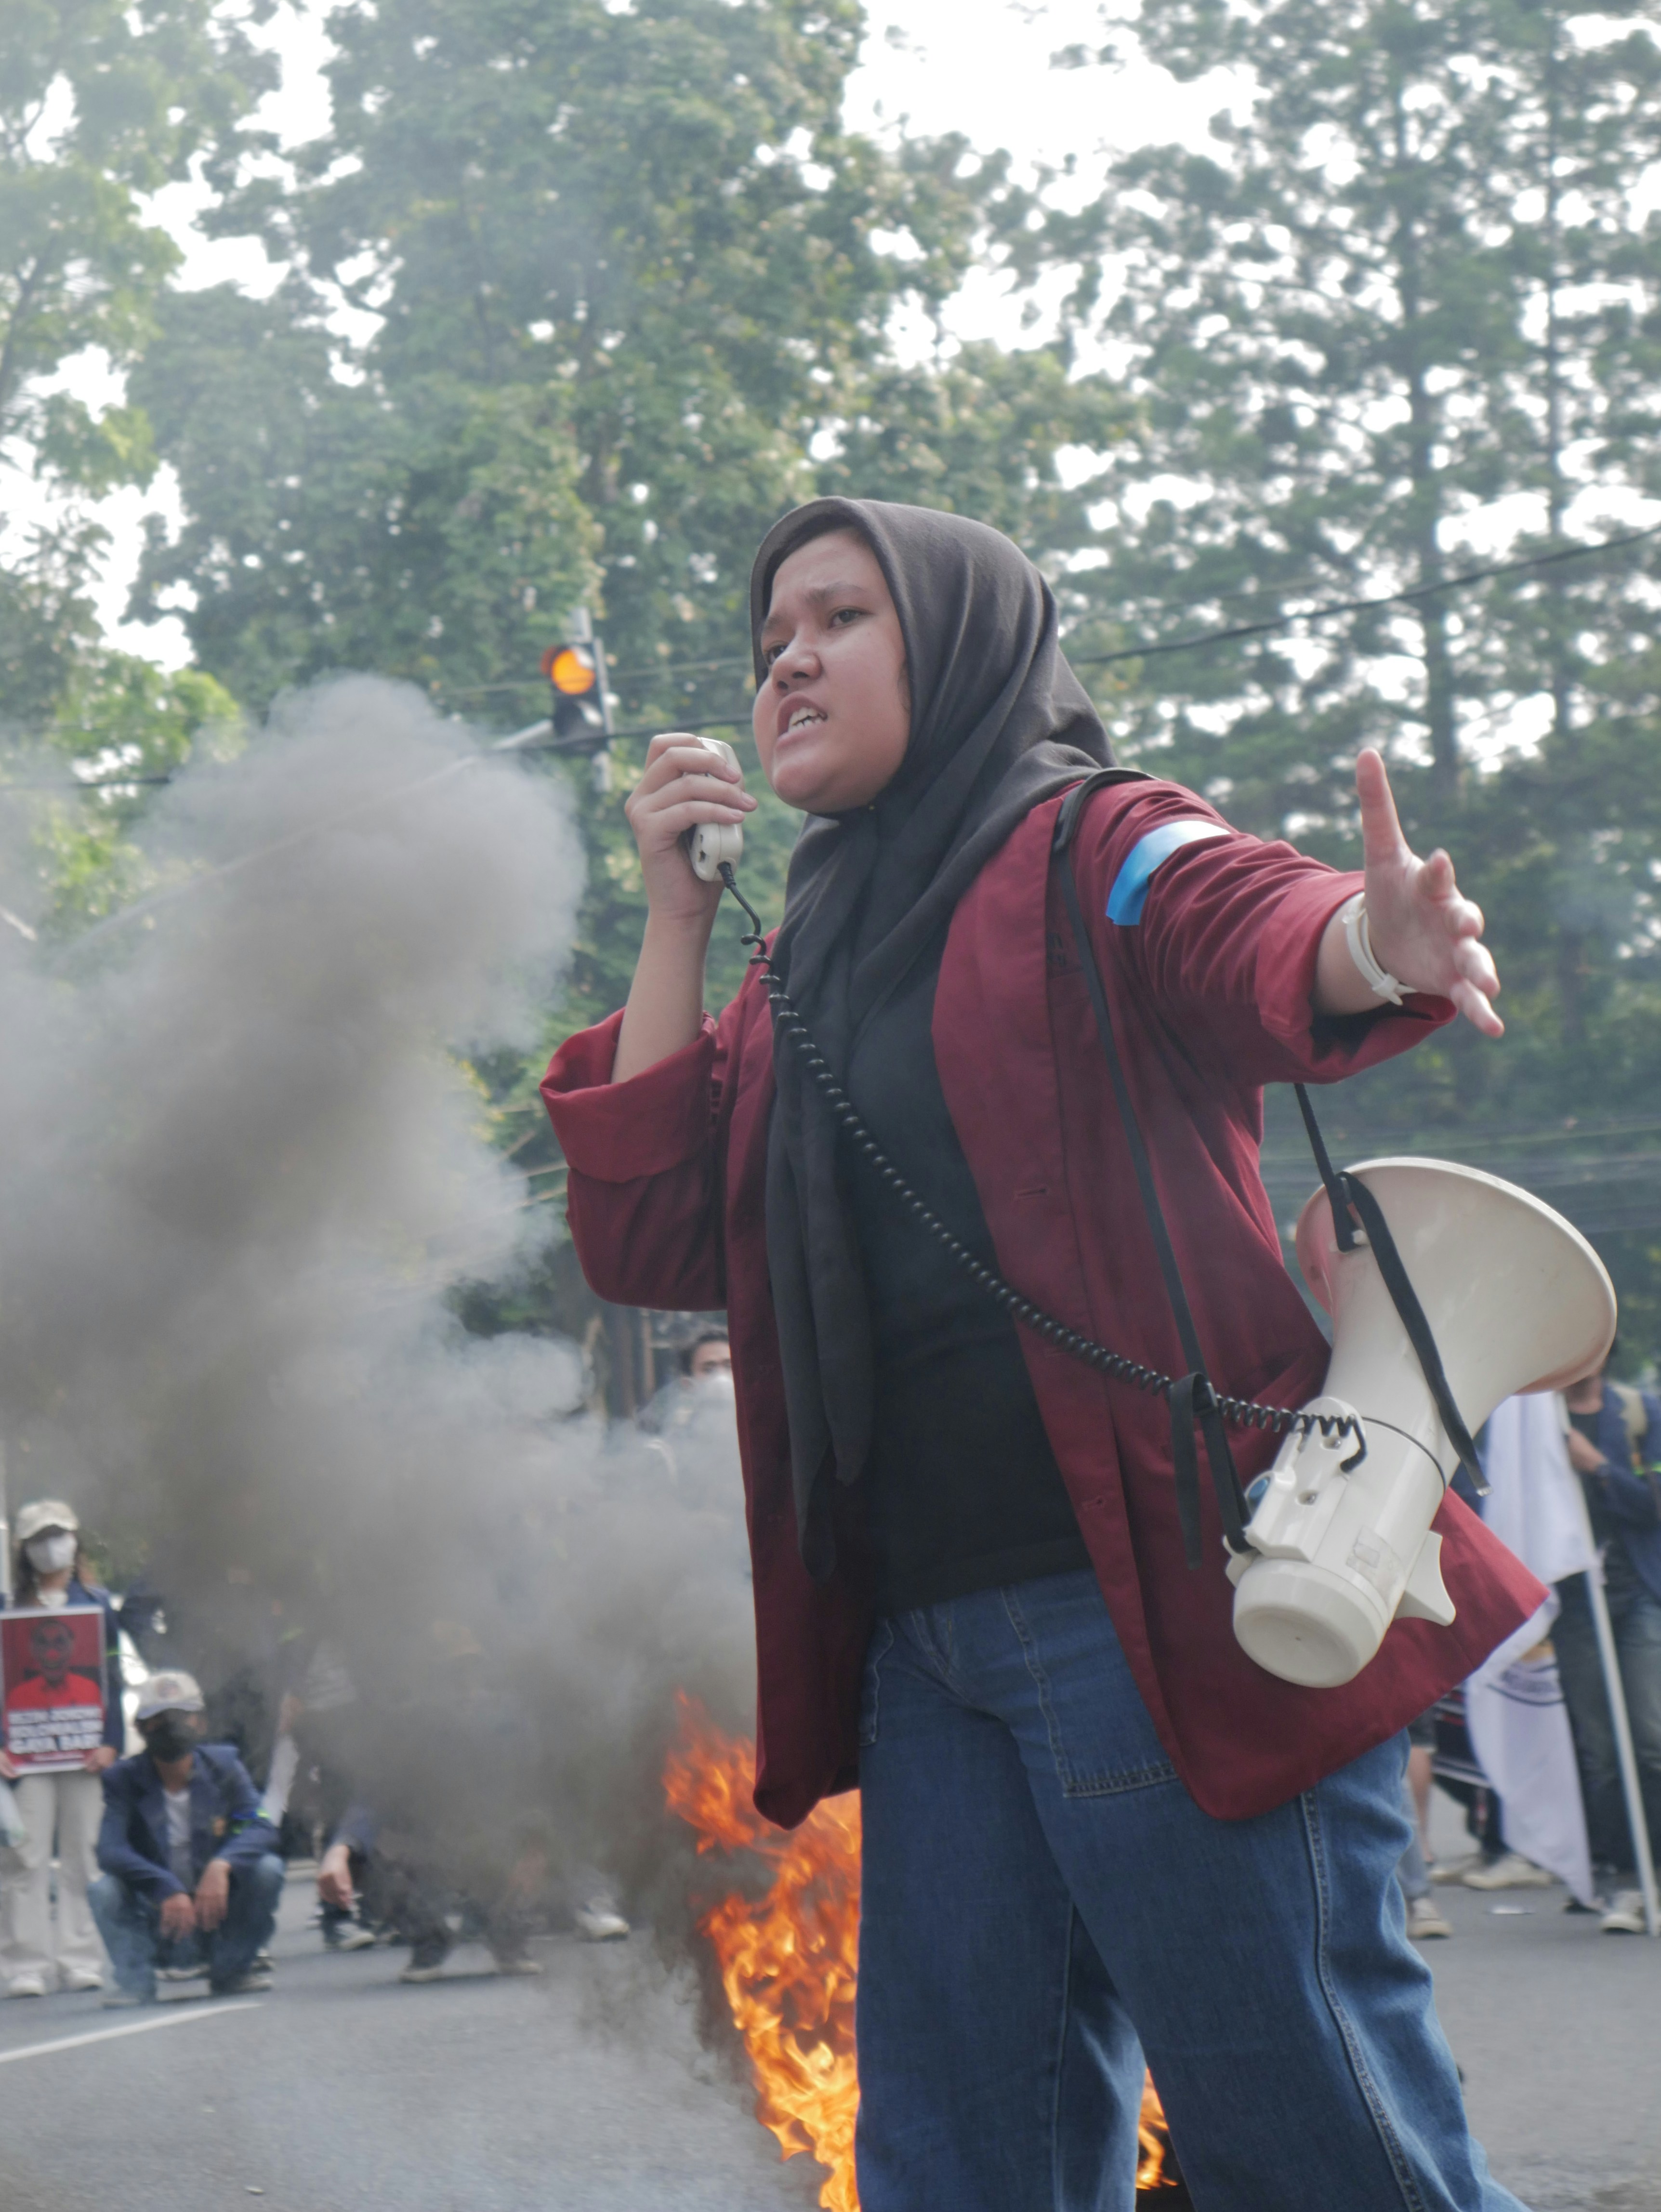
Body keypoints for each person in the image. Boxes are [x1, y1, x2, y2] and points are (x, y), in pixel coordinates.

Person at [542, 499, 1547, 2212]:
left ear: (962, 645)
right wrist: (669, 910)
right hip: (924, 1658)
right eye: (769, 631)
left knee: (1316, 2141)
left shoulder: (1087, 840)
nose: (786, 655)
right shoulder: (807, 962)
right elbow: (647, 1230)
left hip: (1156, 1605)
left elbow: (1233, 913)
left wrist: (1365, 940)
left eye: (839, 617)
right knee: (953, 2165)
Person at [88, 1669, 282, 2007]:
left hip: (216, 1916)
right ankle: (136, 1983)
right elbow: (110, 1850)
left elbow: (261, 1826)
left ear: (201, 1724)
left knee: (268, 1869)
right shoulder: (123, 1778)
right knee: (103, 1890)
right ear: (141, 1728)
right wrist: (165, 1886)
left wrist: (223, 1865)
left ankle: (232, 1972)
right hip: (159, 1921)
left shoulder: (225, 1766)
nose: (171, 1727)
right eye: (158, 1720)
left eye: (182, 1717)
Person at [1554, 1354, 1661, 1934]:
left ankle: (1655, 1876)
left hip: (1637, 1593)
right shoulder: (1535, 1423)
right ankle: (1621, 1877)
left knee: (1649, 1741)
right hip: (1573, 1603)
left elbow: (1653, 1501)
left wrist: (1596, 1466)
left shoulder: (1642, 1413)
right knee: (1599, 1751)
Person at [0, 1499, 123, 1997]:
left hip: (86, 1754)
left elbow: (112, 1680)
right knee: (23, 1858)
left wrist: (112, 1742)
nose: (52, 1544)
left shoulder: (97, 1604)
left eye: (60, 1533)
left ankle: (80, 1957)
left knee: (84, 1855)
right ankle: (23, 1962)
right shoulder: (7, 1610)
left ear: (76, 1540)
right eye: (40, 1536)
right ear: (24, 1549)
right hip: (24, 1758)